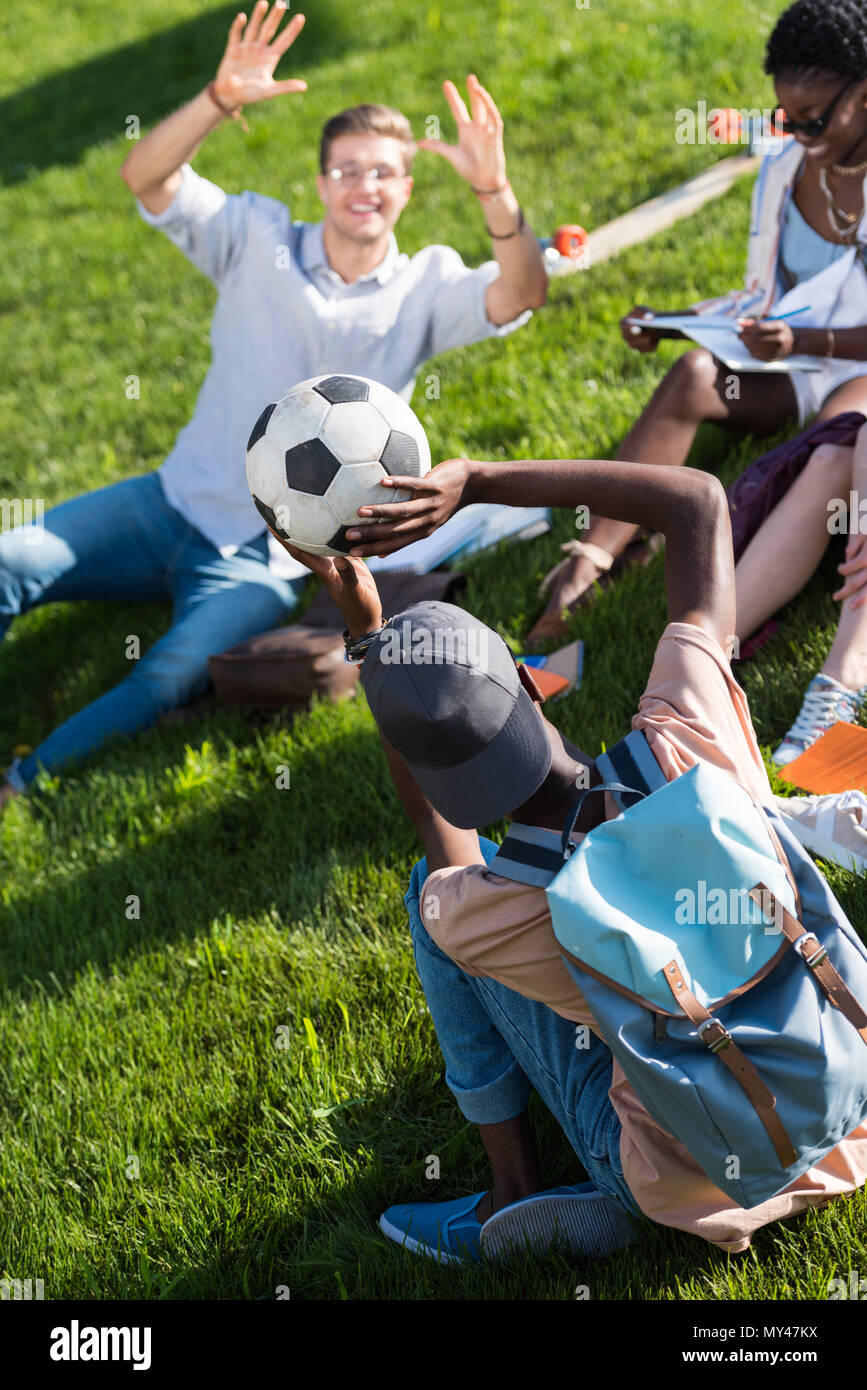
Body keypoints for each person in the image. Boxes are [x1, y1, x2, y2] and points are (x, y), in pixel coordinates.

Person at [269, 452, 867, 1263]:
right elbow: (694, 501)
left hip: (695, 1184)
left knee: (428, 892)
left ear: (442, 784)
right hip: (844, 1090)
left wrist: (373, 643)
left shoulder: (494, 909)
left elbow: (440, 847)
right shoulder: (687, 735)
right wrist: (479, 479)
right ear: (526, 678)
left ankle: (510, 1194)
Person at [0, 2, 546, 810]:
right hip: (166, 501)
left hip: (259, 559)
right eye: (348, 170)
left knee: (172, 675)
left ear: (407, 186)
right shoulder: (257, 237)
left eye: (384, 171)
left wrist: (496, 190)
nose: (365, 186)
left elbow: (521, 290)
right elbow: (143, 176)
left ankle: (19, 783)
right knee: (10, 562)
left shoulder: (426, 283)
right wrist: (217, 101)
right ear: (321, 181)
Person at [529, 0, 867, 646]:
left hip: (853, 367)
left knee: (820, 451)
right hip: (792, 354)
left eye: (814, 119)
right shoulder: (782, 166)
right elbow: (760, 294)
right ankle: (594, 556)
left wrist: (804, 341)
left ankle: (733, 608)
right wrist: (674, 323)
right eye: (786, 118)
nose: (797, 134)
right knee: (691, 374)